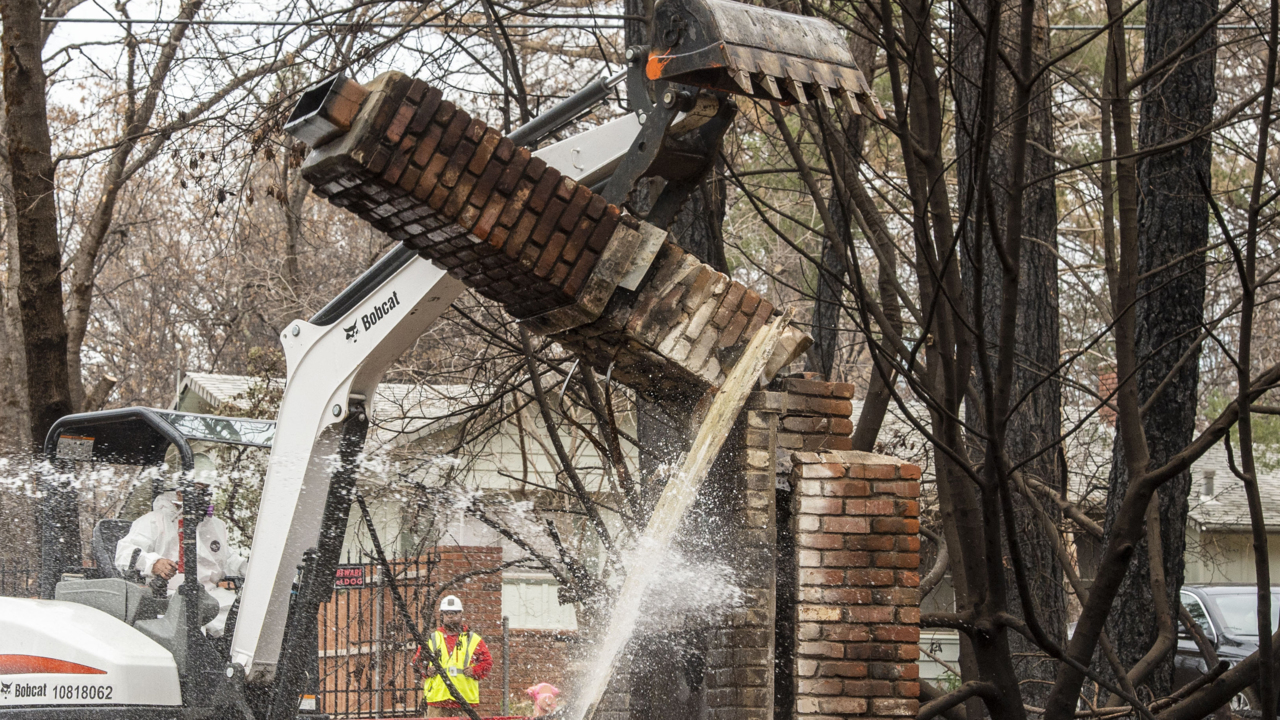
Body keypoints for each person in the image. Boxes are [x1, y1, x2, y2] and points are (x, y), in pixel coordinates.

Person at [114, 452, 249, 637]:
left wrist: (253, 570)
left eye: (207, 490)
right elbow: (124, 553)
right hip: (169, 599)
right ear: (179, 491)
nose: (205, 496)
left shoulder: (214, 527)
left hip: (211, 598)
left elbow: (229, 559)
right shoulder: (155, 521)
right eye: (199, 489)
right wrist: (153, 563)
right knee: (192, 631)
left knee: (247, 621)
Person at [413, 595, 492, 717]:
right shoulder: (432, 638)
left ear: (461, 614)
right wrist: (426, 671)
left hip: (464, 700)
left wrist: (475, 670)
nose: (450, 616)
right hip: (437, 700)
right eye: (447, 613)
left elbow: (487, 662)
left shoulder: (472, 639)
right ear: (442, 615)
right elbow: (417, 662)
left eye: (454, 613)